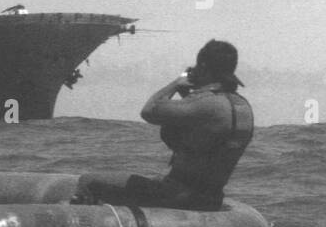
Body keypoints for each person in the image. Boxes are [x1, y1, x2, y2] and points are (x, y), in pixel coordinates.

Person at [74, 40, 253, 210]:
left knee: (87, 181)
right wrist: (187, 95)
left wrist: (176, 84)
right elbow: (206, 133)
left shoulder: (205, 104)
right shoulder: (242, 107)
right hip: (210, 198)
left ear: (204, 67)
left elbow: (149, 110)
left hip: (177, 195)